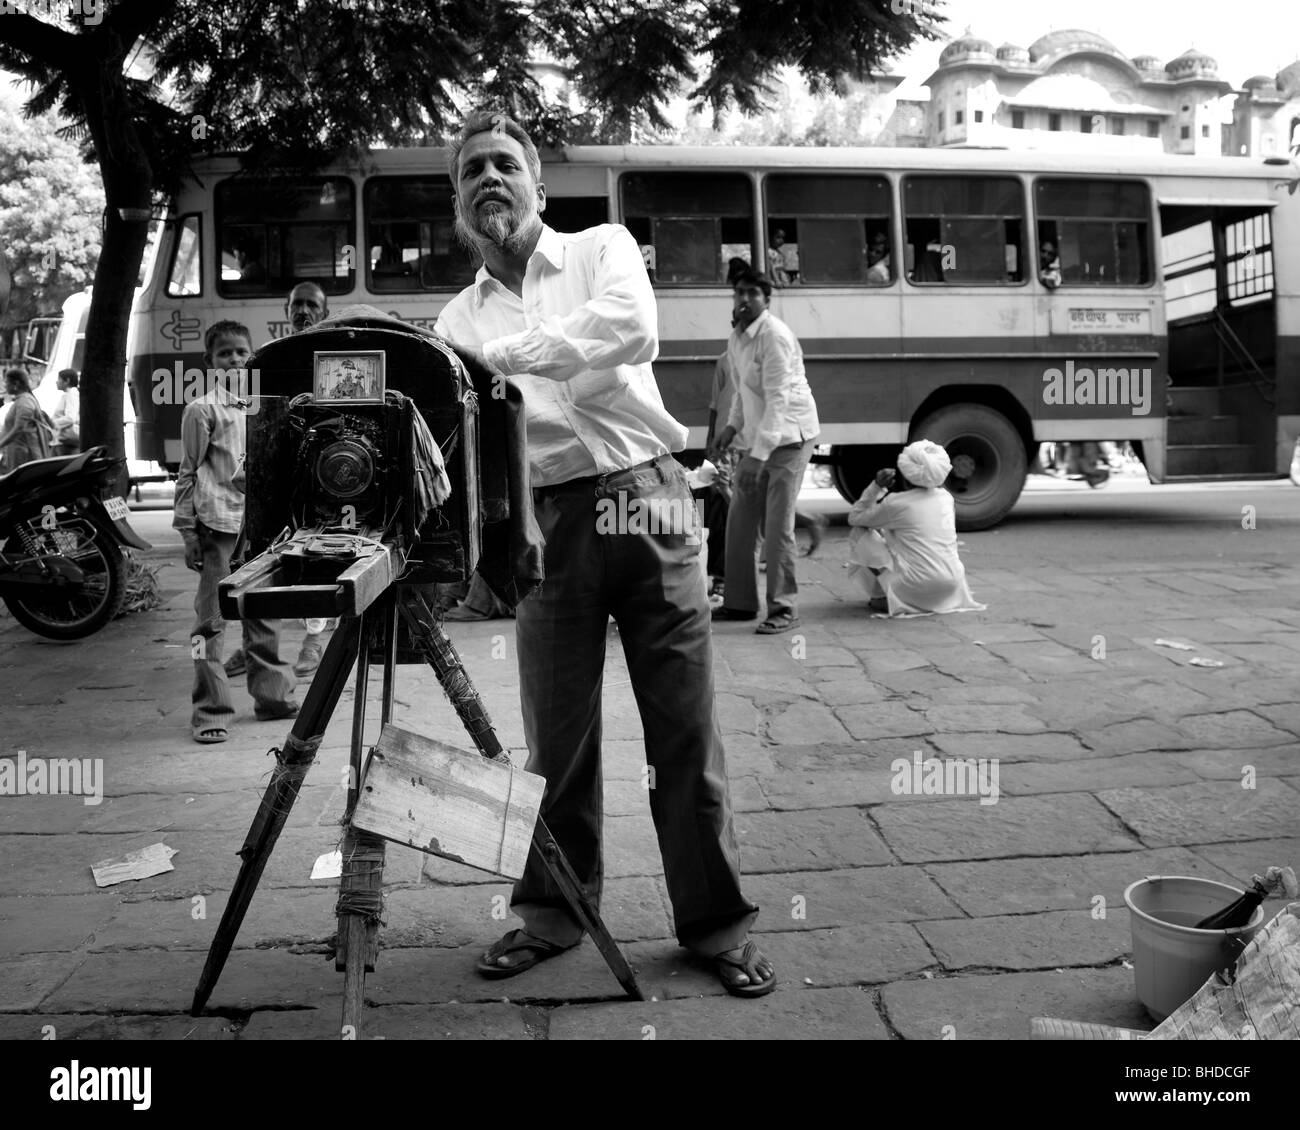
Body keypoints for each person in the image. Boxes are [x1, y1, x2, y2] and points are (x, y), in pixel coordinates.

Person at [434, 109, 774, 997]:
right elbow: (471, 441)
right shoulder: (452, 316)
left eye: (505, 163)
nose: (489, 179)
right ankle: (552, 914)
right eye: (472, 171)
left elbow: (630, 330)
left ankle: (716, 925)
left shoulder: (602, 249)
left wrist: (500, 363)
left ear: (538, 185)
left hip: (649, 499)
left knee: (684, 729)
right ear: (460, 202)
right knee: (555, 743)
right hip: (546, 528)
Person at [175, 320, 298, 744]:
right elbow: (187, 473)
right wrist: (188, 532)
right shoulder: (201, 409)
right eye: (224, 353)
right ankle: (210, 710)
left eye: (242, 352)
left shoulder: (262, 405)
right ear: (209, 362)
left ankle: (273, 698)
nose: (234, 359)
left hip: (261, 529)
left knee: (264, 612)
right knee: (208, 623)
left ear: (253, 357)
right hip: (218, 527)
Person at [227, 281, 334, 681]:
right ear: (286, 310)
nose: (303, 310)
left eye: (311, 304)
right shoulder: (271, 359)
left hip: (321, 473)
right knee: (256, 556)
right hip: (278, 473)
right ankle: (255, 649)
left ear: (324, 311)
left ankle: (314, 638)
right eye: (297, 304)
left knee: (319, 555)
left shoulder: (334, 353)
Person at [710, 271, 820, 635]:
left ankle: (784, 608)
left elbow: (778, 400)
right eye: (739, 291)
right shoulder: (736, 337)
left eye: (752, 293)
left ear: (766, 300)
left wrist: (758, 456)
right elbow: (742, 392)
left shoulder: (775, 336)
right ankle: (740, 604)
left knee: (777, 528)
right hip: (756, 441)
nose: (744, 298)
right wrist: (730, 427)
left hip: (790, 438)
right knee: (740, 523)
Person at [846, 438, 986, 617]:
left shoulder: (896, 503)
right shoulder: (945, 497)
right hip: (951, 586)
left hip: (916, 586)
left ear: (905, 473)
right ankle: (908, 597)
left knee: (859, 532)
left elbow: (855, 518)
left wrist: (876, 486)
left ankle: (883, 596)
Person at [0, 368, 53, 472]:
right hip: (19, 453)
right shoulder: (21, 400)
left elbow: (18, 429)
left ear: (16, 384)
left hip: (25, 455)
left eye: (7, 382)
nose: (5, 385)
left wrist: (0, 444)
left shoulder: (25, 402)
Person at [51, 369, 80, 455]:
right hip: (63, 441)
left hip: (66, 443)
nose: (57, 382)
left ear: (67, 381)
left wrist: (51, 423)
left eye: (59, 379)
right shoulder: (68, 395)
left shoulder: (72, 394)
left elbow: (70, 418)